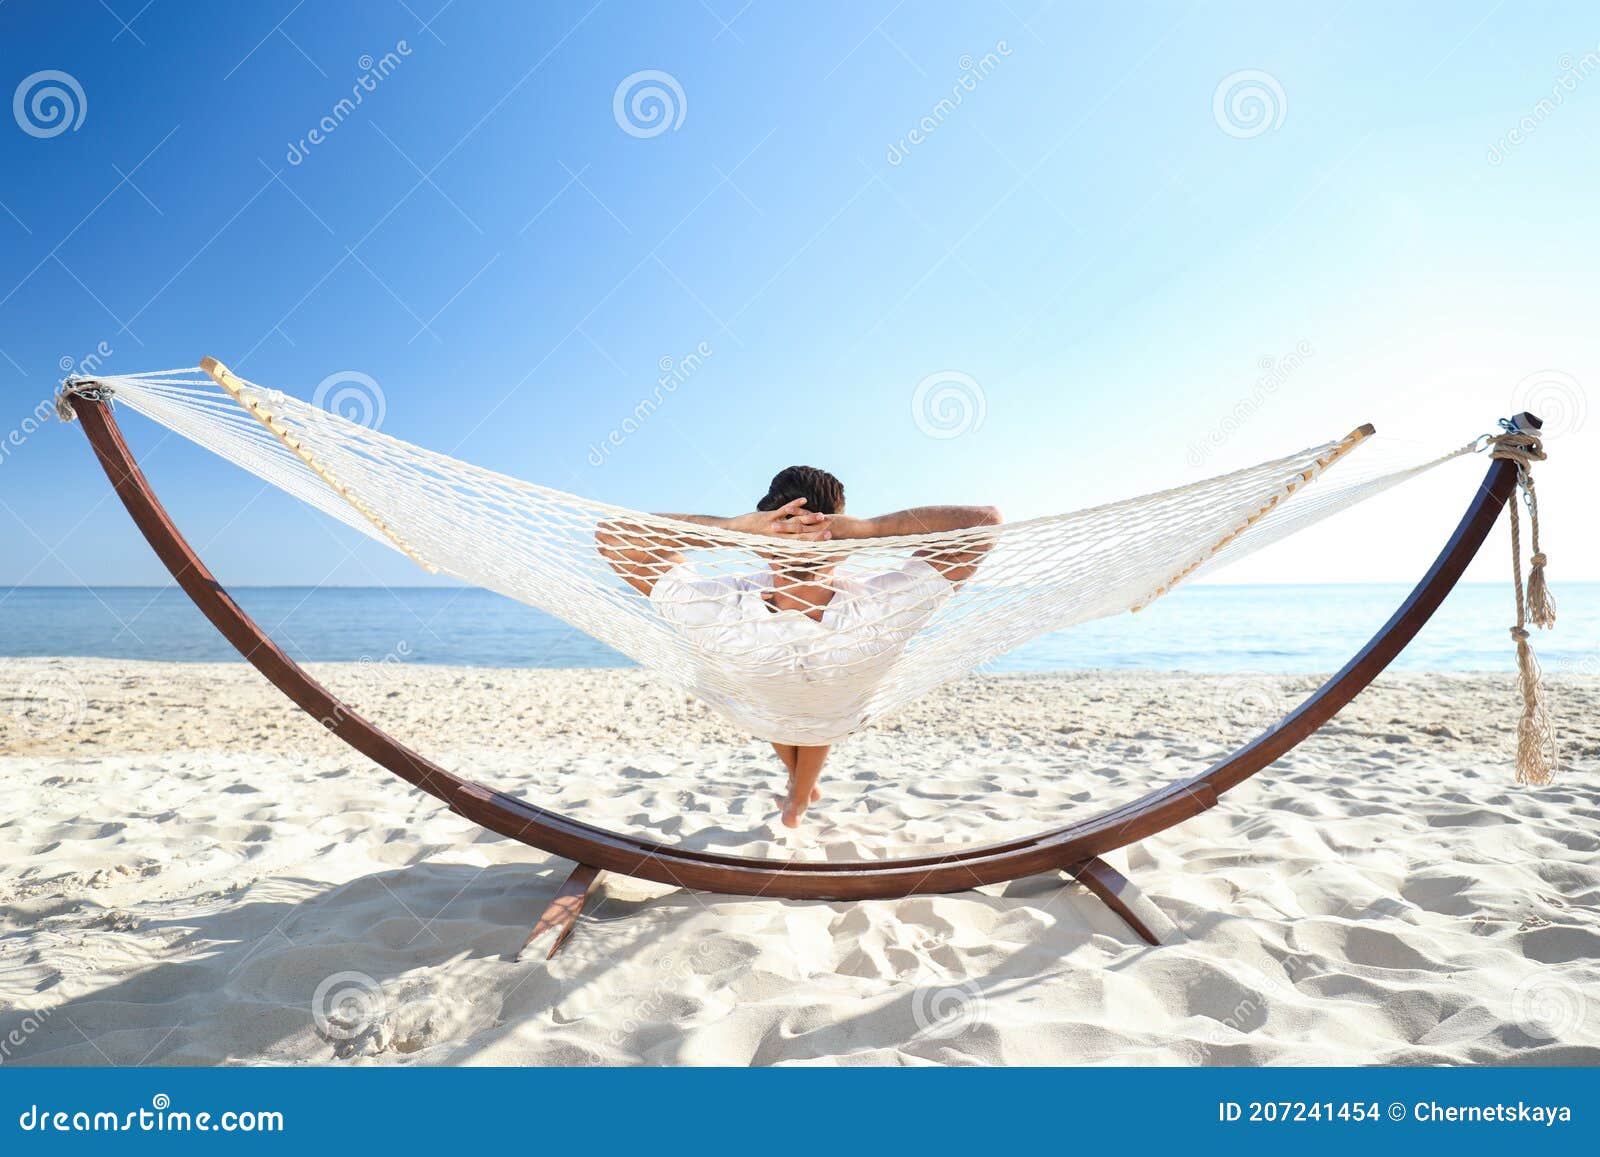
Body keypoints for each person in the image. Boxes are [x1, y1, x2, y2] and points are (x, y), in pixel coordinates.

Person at [596, 466, 1000, 828]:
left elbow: (614, 536)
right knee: (814, 704)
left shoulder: (719, 612)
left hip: (762, 705)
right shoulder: (882, 611)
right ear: (840, 538)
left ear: (760, 539)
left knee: (769, 697)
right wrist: (868, 531)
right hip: (836, 710)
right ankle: (799, 794)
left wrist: (732, 530)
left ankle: (797, 792)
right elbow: (984, 522)